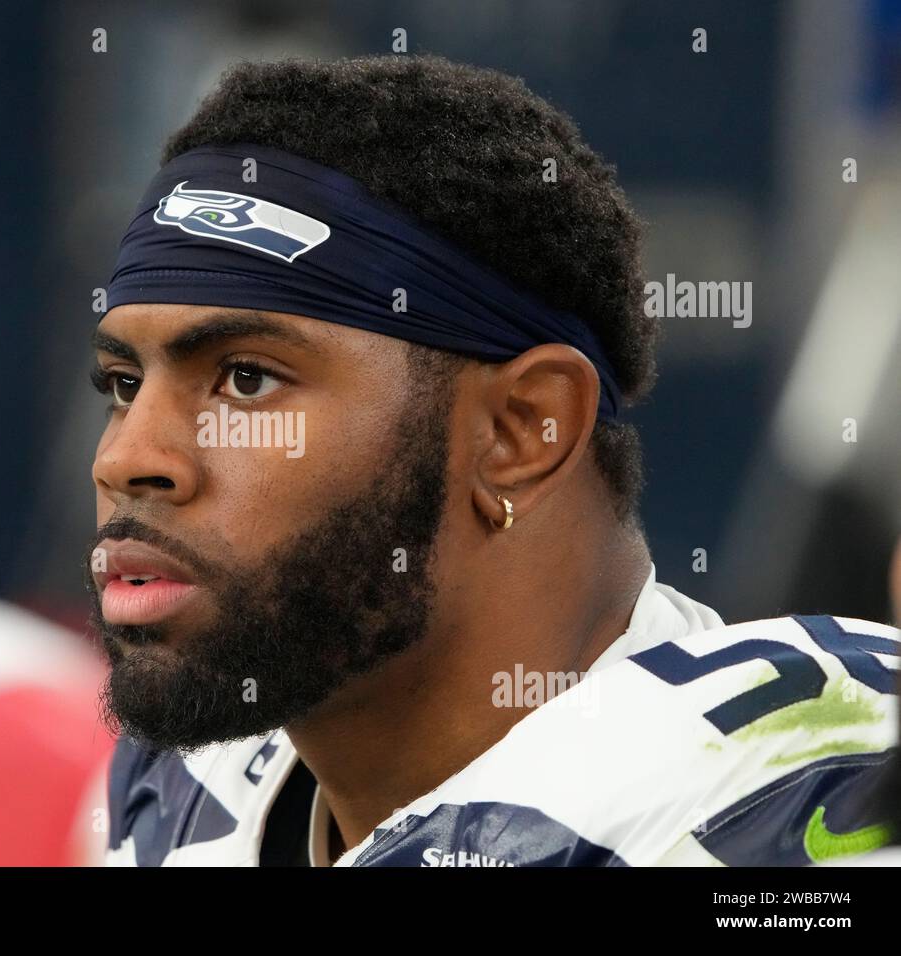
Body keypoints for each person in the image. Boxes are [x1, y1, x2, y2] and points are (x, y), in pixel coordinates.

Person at [86, 55, 899, 866]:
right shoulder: (187, 789)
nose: (127, 459)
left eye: (247, 379)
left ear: (522, 430)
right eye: (123, 384)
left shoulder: (796, 794)